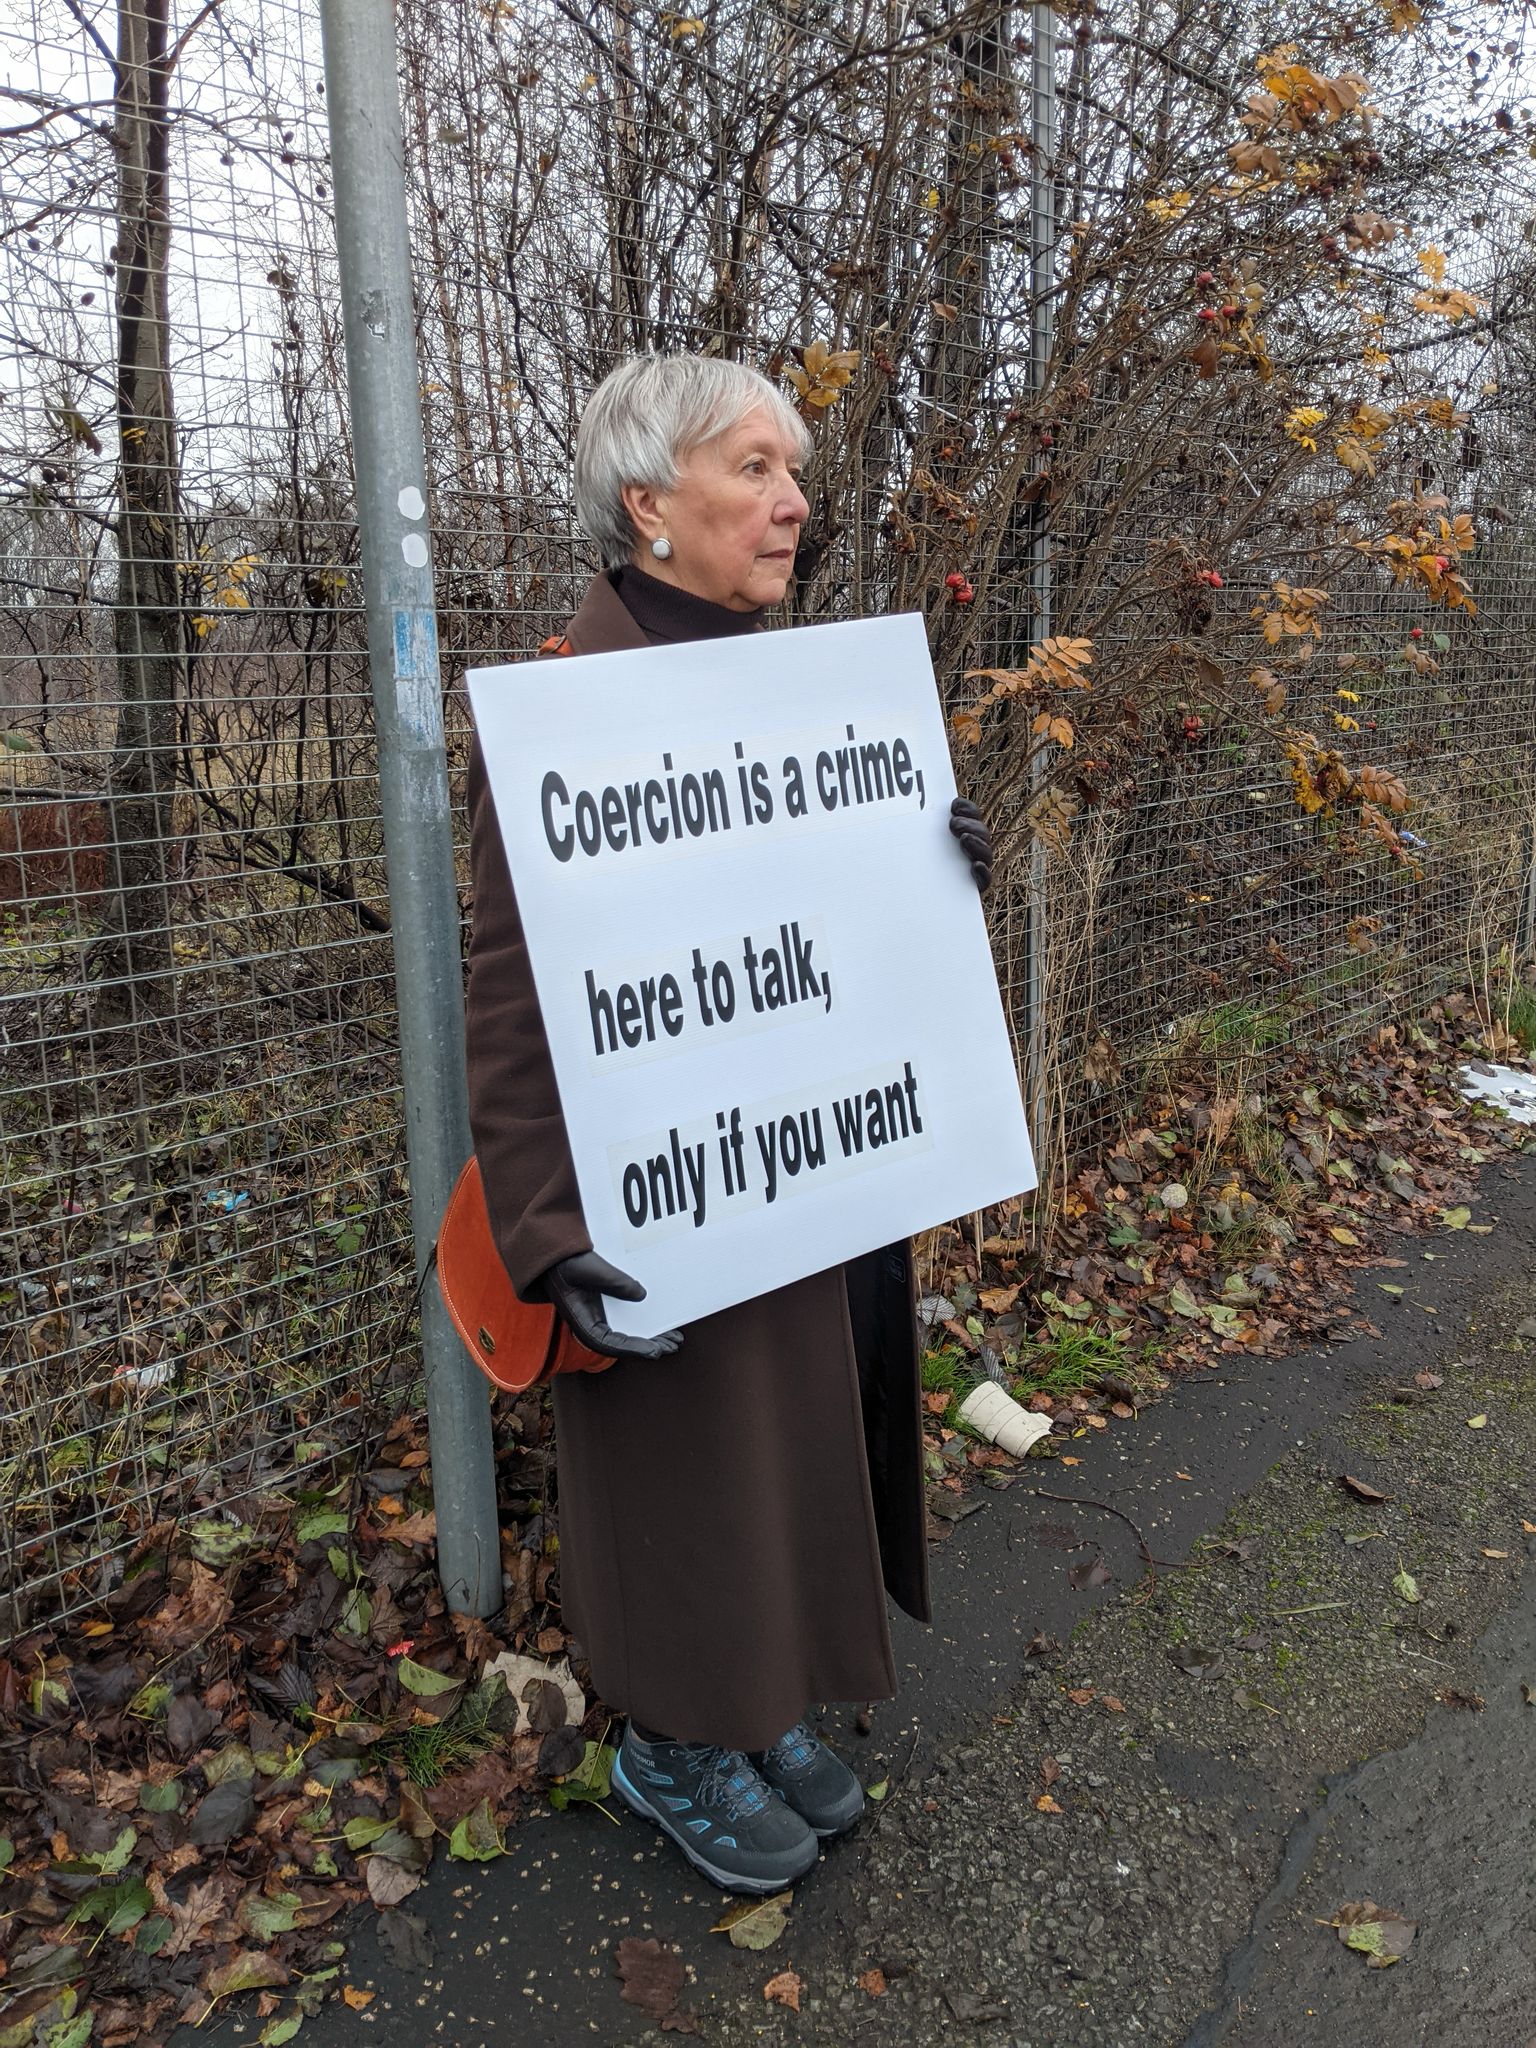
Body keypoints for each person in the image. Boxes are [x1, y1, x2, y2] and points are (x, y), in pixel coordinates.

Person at [463, 353, 993, 1896]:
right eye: (754, 469)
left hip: (793, 1163)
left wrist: (937, 863)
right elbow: (508, 999)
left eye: (795, 471)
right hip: (658, 1188)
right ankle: (670, 1739)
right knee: (686, 1460)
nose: (793, 502)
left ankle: (759, 1710)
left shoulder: (804, 693)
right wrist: (548, 1233)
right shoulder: (567, 709)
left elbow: (846, 932)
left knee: (792, 1427)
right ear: (648, 504)